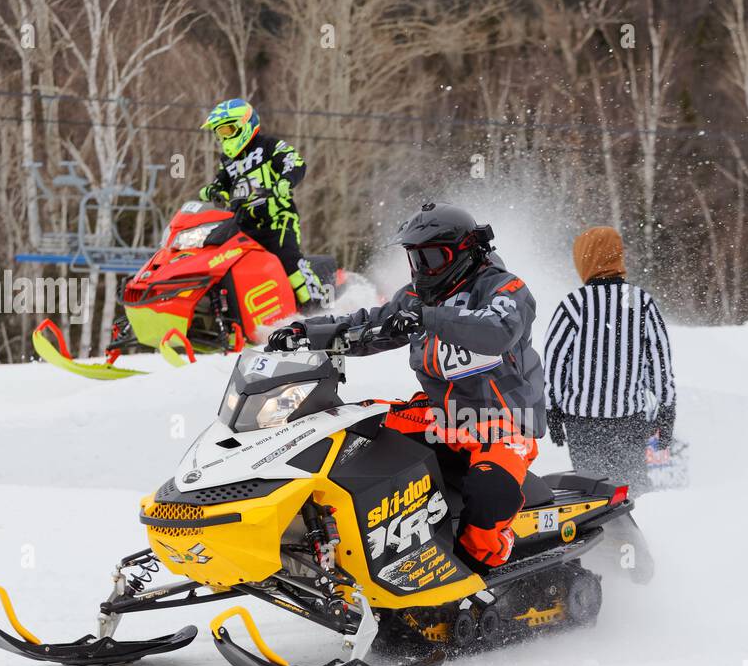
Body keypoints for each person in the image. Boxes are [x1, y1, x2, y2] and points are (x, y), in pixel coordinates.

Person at [269, 202, 545, 572]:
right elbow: (368, 325)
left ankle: (498, 559)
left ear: (465, 252)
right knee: (350, 434)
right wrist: (309, 333)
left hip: (501, 424)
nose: (422, 269)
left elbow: (496, 331)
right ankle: (332, 533)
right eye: (415, 259)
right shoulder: (417, 296)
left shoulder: (506, 288)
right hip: (438, 417)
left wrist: (427, 317)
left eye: (432, 257)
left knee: (489, 496)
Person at [543, 225, 675, 491]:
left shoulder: (573, 305)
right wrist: (666, 408)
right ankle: (636, 531)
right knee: (631, 490)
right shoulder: (642, 303)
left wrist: (552, 408)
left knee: (591, 492)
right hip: (629, 421)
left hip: (583, 422)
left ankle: (604, 532)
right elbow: (659, 362)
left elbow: (555, 362)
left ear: (584, 259)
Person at [198, 98, 323, 307]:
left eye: (227, 130)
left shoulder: (268, 146)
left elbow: (294, 161)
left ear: (243, 125)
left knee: (287, 258)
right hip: (242, 226)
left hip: (276, 219)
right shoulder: (229, 161)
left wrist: (285, 181)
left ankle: (319, 304)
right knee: (224, 263)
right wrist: (213, 190)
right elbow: (222, 182)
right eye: (219, 133)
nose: (223, 137)